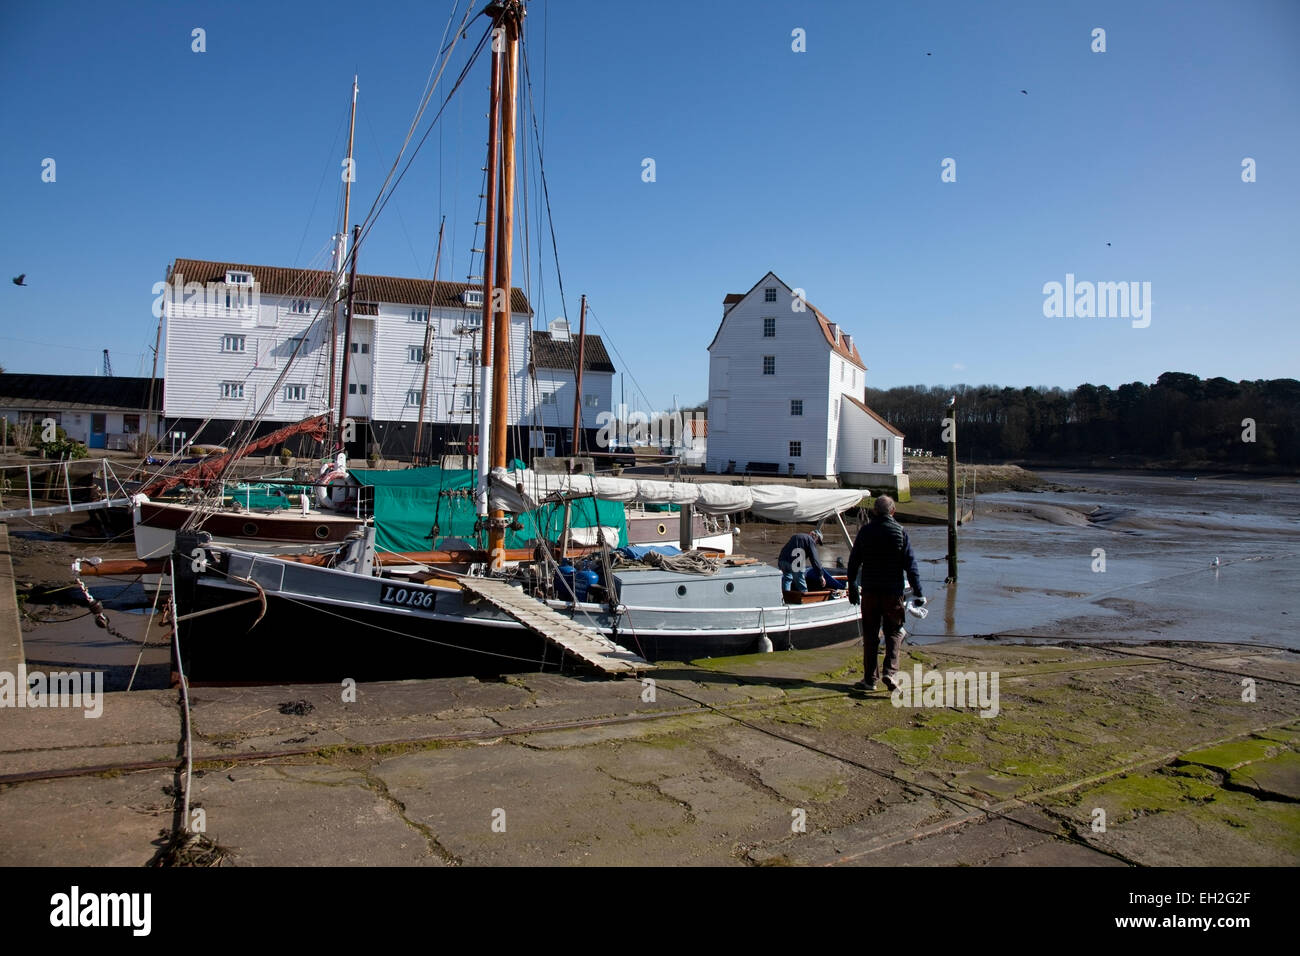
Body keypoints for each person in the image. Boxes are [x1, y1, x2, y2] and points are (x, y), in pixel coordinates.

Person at [846, 495, 925, 692]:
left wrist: (852, 586)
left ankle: (869, 680)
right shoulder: (900, 532)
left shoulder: (865, 532)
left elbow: (853, 562)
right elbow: (911, 565)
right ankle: (890, 672)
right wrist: (918, 592)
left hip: (870, 591)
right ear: (893, 511)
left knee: (870, 635)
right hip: (893, 592)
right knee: (894, 632)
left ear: (874, 511)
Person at [777, 529, 825, 593]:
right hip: (795, 564)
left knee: (787, 579)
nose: (816, 543)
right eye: (818, 541)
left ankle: (786, 597)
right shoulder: (810, 540)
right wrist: (820, 575)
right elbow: (815, 559)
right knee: (802, 586)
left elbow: (785, 549)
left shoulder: (796, 536)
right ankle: (805, 598)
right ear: (814, 536)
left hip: (782, 561)